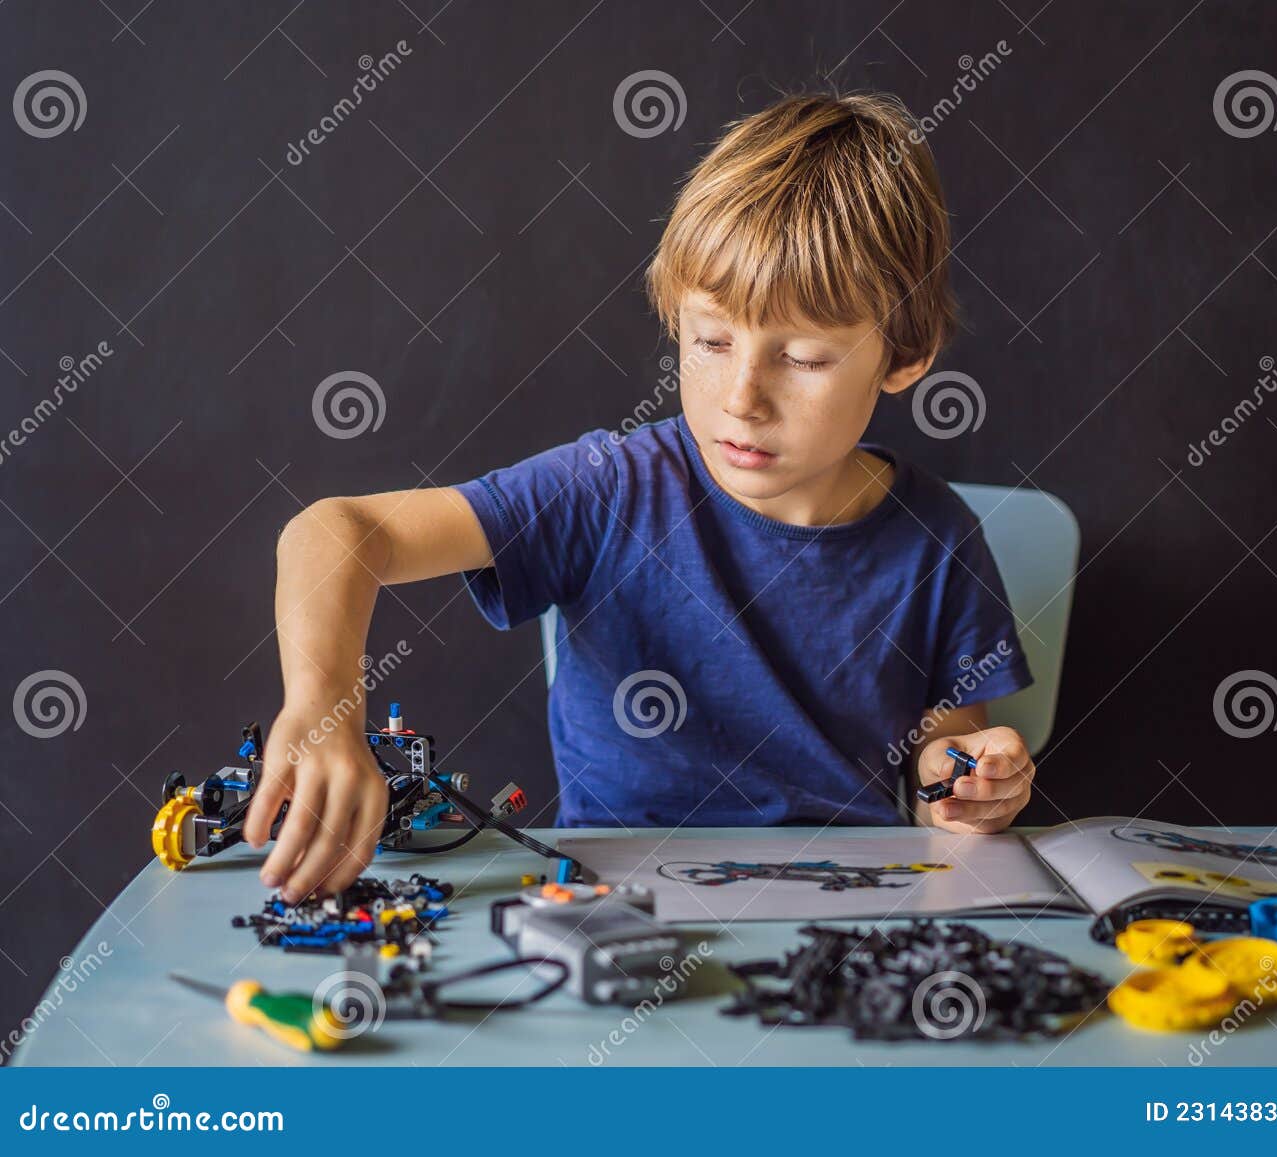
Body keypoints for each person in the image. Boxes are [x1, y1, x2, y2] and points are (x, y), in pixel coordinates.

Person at [246, 91, 1036, 903]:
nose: (741, 397)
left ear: (902, 357)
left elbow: (948, 743)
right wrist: (322, 704)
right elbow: (334, 531)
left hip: (853, 907)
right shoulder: (609, 489)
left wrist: (967, 782)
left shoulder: (937, 534)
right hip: (623, 907)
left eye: (802, 358)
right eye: (711, 340)